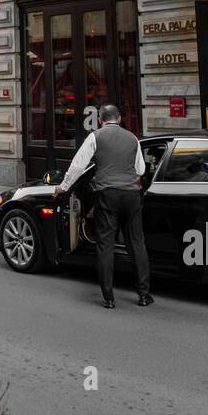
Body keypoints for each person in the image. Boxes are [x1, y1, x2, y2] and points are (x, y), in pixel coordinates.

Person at [54, 104, 151, 309]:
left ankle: (109, 298)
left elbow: (78, 166)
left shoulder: (95, 137)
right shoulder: (133, 138)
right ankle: (143, 294)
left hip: (107, 194)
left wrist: (63, 187)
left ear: (100, 120)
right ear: (120, 119)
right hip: (131, 195)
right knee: (136, 243)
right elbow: (140, 169)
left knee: (105, 245)